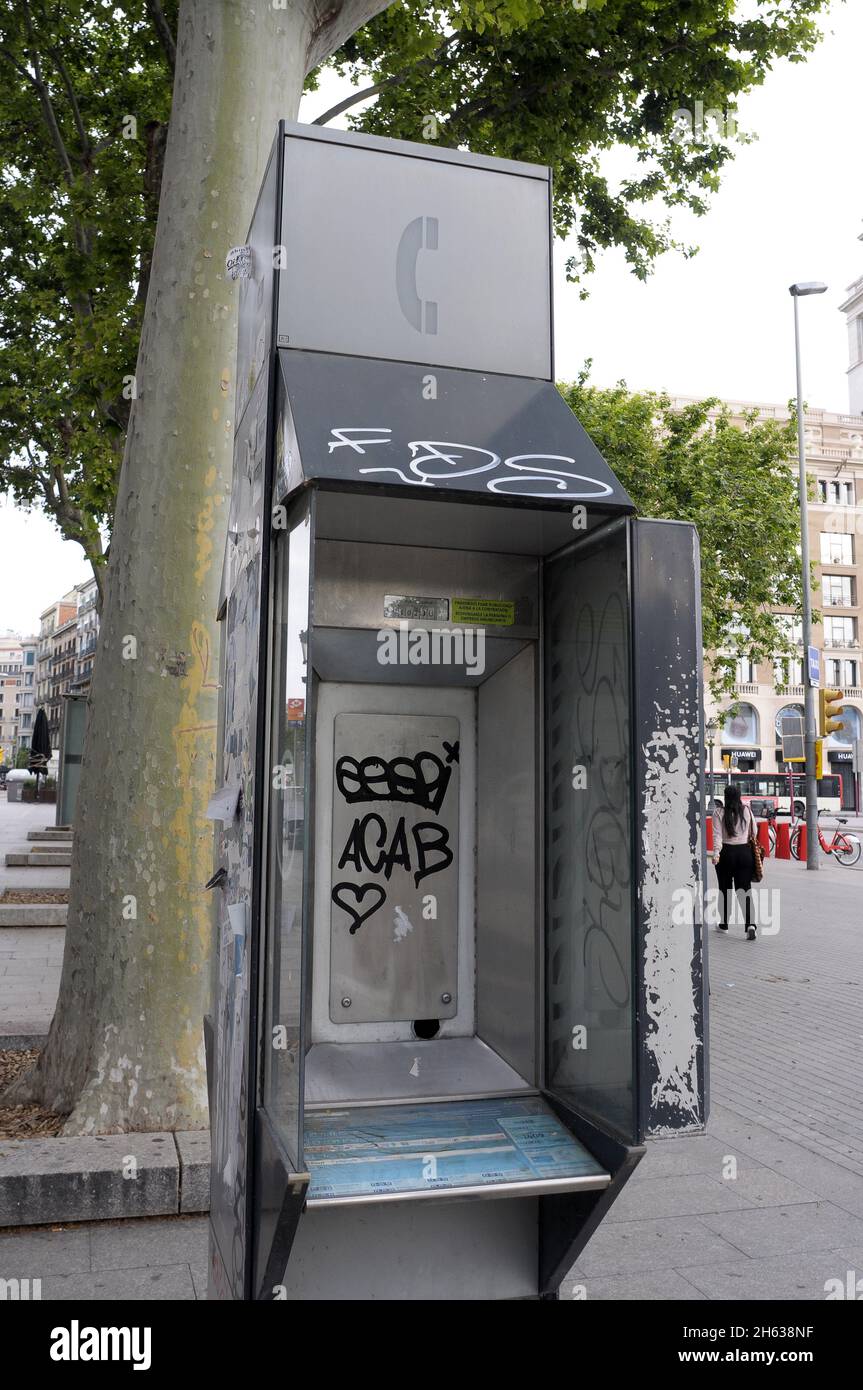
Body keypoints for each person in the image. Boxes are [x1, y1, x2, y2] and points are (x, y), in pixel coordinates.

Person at [712, 784, 757, 940]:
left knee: (724, 889)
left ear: (725, 797)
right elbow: (754, 832)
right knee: (744, 890)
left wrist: (716, 853)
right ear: (739, 796)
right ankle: (750, 925)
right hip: (744, 853)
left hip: (725, 853)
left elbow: (717, 836)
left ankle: (724, 924)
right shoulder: (747, 810)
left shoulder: (718, 813)